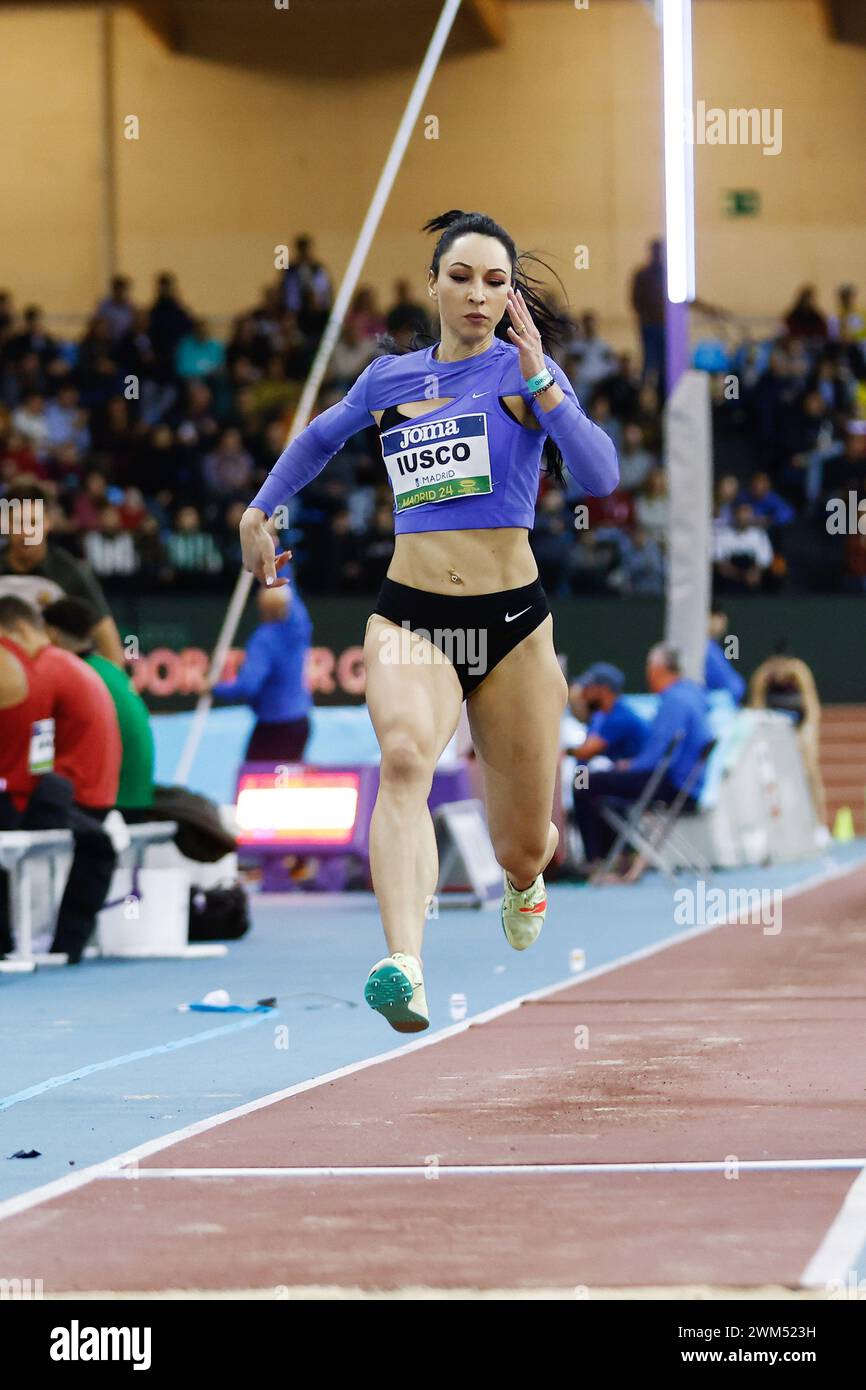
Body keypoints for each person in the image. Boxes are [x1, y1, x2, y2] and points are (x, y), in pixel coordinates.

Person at [240, 208, 618, 1032]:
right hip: (412, 616)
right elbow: (317, 441)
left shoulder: (528, 374)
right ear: (434, 285)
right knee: (405, 757)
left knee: (525, 841)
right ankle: (403, 964)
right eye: (463, 278)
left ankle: (524, 882)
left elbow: (599, 474)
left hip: (512, 621)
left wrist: (547, 382)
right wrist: (261, 509)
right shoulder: (389, 381)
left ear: (510, 295)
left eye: (496, 282)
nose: (478, 295)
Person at [0, 596, 121, 961]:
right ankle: (65, 947)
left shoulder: (44, 670)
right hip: (93, 794)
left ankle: (37, 945)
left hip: (72, 794)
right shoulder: (74, 666)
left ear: (21, 629)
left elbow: (28, 751)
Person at [572, 644, 711, 874]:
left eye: (649, 667)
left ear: (657, 669)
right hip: (684, 784)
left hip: (669, 783)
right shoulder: (690, 694)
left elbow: (658, 759)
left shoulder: (673, 701)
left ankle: (599, 861)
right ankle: (618, 855)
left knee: (586, 784)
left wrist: (630, 766)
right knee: (603, 782)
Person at [42, 596, 155, 816]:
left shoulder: (70, 673)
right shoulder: (109, 670)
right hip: (134, 797)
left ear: (52, 633)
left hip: (108, 801)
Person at [0, 477, 126, 665]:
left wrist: (115, 686)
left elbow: (108, 641)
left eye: (33, 522)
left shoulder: (70, 572)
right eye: (18, 523)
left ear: (49, 522)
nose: (26, 532)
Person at [208, 580, 313, 763]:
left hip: (275, 725)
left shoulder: (264, 640)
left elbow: (248, 686)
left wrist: (213, 688)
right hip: (301, 722)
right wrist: (277, 562)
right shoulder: (299, 627)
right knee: (290, 778)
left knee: (255, 779)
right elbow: (291, 592)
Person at [565, 663, 648, 764]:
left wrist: (562, 751)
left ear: (603, 690)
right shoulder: (600, 715)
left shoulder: (620, 716)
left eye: (589, 687)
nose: (584, 692)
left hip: (640, 775)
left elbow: (586, 751)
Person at [630, 239, 666, 393]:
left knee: (663, 365)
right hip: (650, 326)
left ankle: (662, 400)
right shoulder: (643, 275)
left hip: (663, 326)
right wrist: (647, 317)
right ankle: (643, 401)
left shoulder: (668, 274)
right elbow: (635, 299)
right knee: (648, 364)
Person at [704, 607, 746, 704]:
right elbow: (732, 686)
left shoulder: (713, 648)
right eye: (718, 616)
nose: (723, 621)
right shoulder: (706, 648)